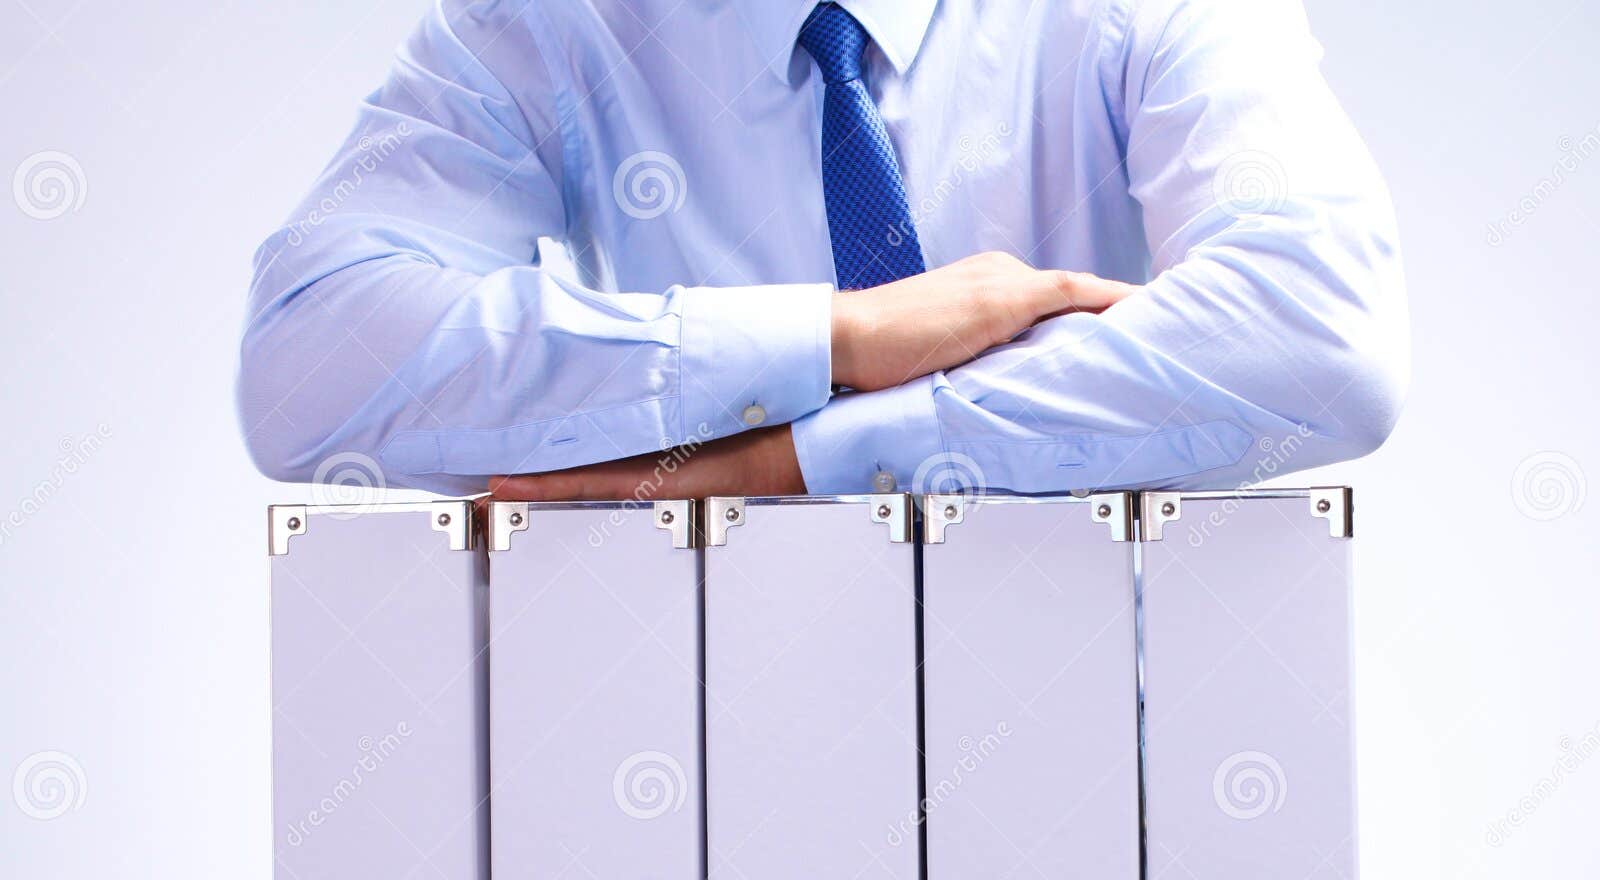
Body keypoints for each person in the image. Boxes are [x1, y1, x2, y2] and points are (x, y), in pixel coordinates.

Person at [237, 0, 1408, 502]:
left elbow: (1317, 340)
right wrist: (831, 338)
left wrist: (786, 460)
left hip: (1090, 765)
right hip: (707, 767)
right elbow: (306, 367)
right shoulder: (549, 25)